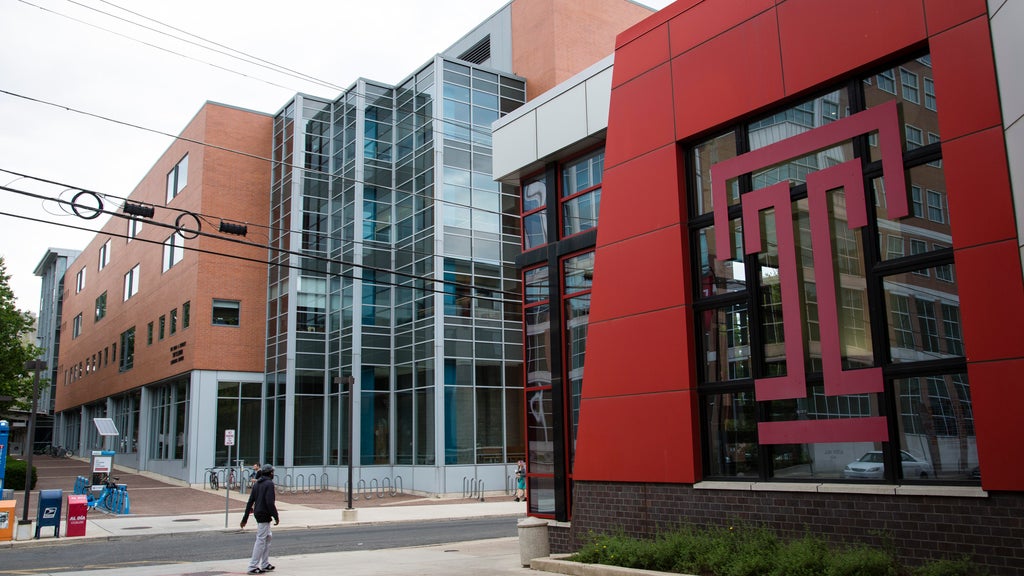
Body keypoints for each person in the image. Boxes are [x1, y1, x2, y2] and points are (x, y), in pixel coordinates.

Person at [240, 464, 279, 574]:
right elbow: (270, 502)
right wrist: (276, 516)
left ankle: (265, 563)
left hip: (258, 513)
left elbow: (250, 501)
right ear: (270, 473)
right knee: (261, 539)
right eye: (272, 472)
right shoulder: (269, 484)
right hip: (264, 514)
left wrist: (245, 518)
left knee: (268, 537)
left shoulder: (257, 483)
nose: (273, 474)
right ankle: (252, 566)